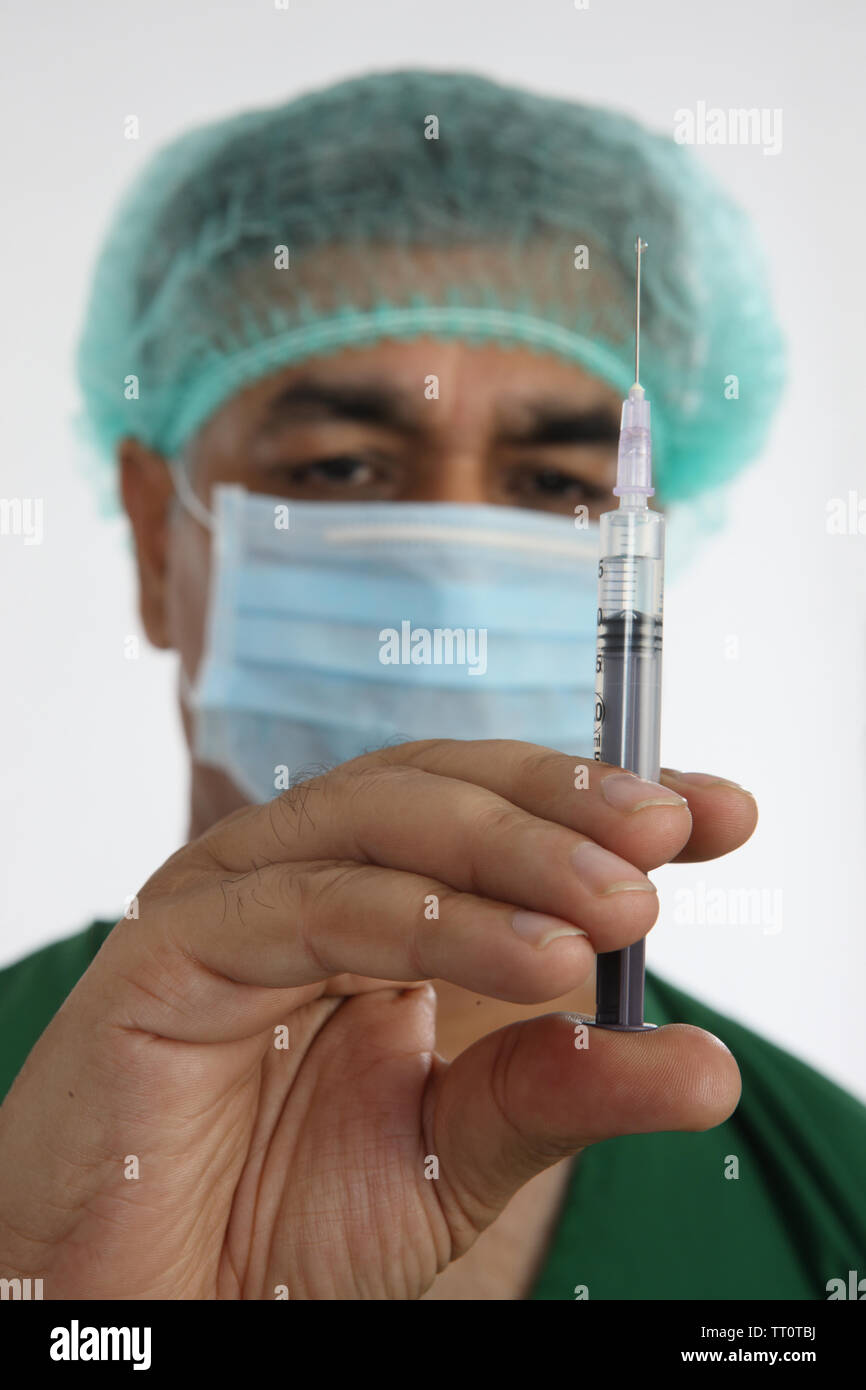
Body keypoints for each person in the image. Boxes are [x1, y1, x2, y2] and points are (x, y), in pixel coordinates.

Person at [0, 69, 862, 1302]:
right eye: (344, 465)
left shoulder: (832, 1206)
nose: (446, 572)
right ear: (157, 537)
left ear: (641, 547)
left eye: (550, 481)